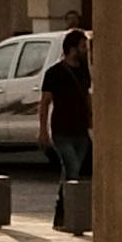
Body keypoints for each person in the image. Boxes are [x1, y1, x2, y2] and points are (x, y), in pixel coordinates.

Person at [41, 28, 93, 196]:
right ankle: (70, 204)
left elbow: (87, 95)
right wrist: (43, 130)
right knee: (73, 168)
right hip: (61, 130)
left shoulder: (85, 71)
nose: (86, 51)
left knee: (72, 170)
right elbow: (45, 102)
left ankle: (63, 204)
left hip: (81, 130)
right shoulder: (54, 73)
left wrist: (91, 118)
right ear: (72, 49)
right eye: (83, 46)